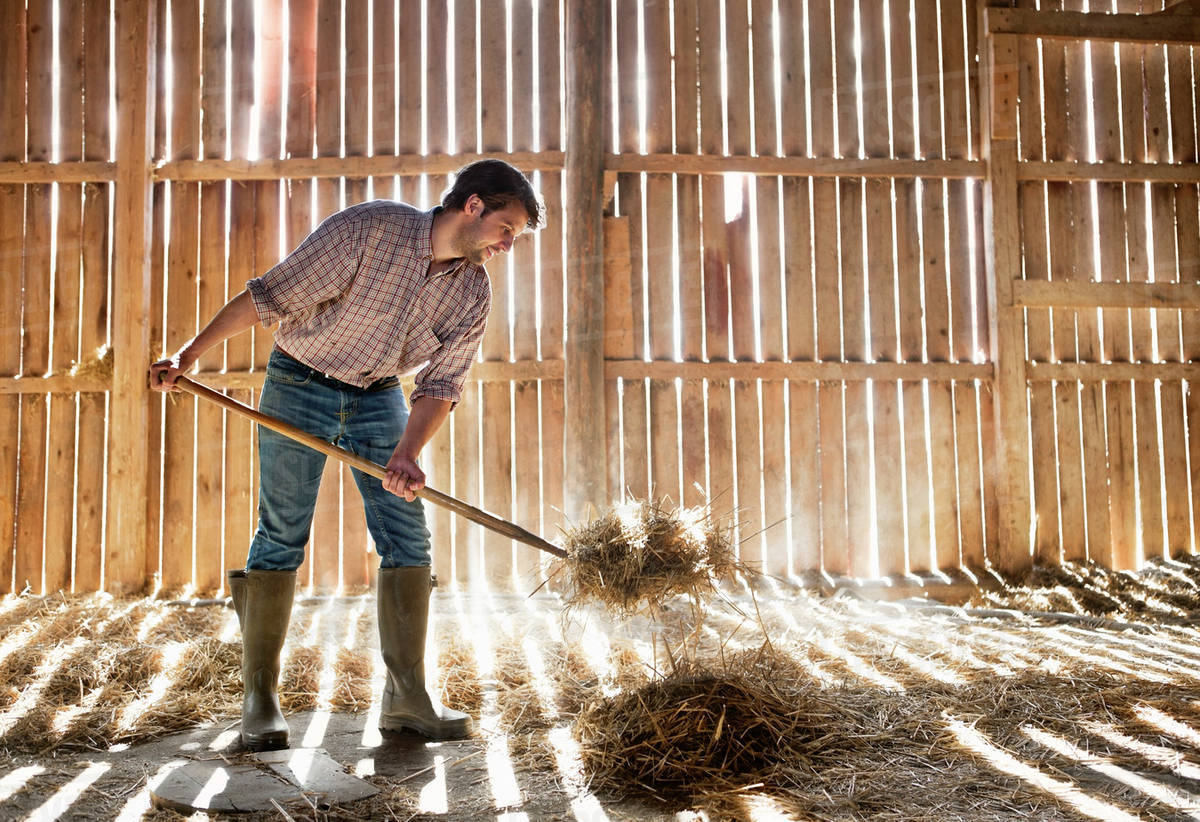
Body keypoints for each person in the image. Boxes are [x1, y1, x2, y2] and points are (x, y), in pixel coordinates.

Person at [150, 159, 543, 751]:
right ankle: (259, 701)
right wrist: (187, 355)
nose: (508, 245)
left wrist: (408, 452)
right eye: (507, 228)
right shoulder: (369, 230)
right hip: (299, 382)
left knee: (408, 536)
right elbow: (267, 298)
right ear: (473, 206)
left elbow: (442, 384)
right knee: (281, 533)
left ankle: (407, 697)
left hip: (379, 395)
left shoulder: (472, 290)